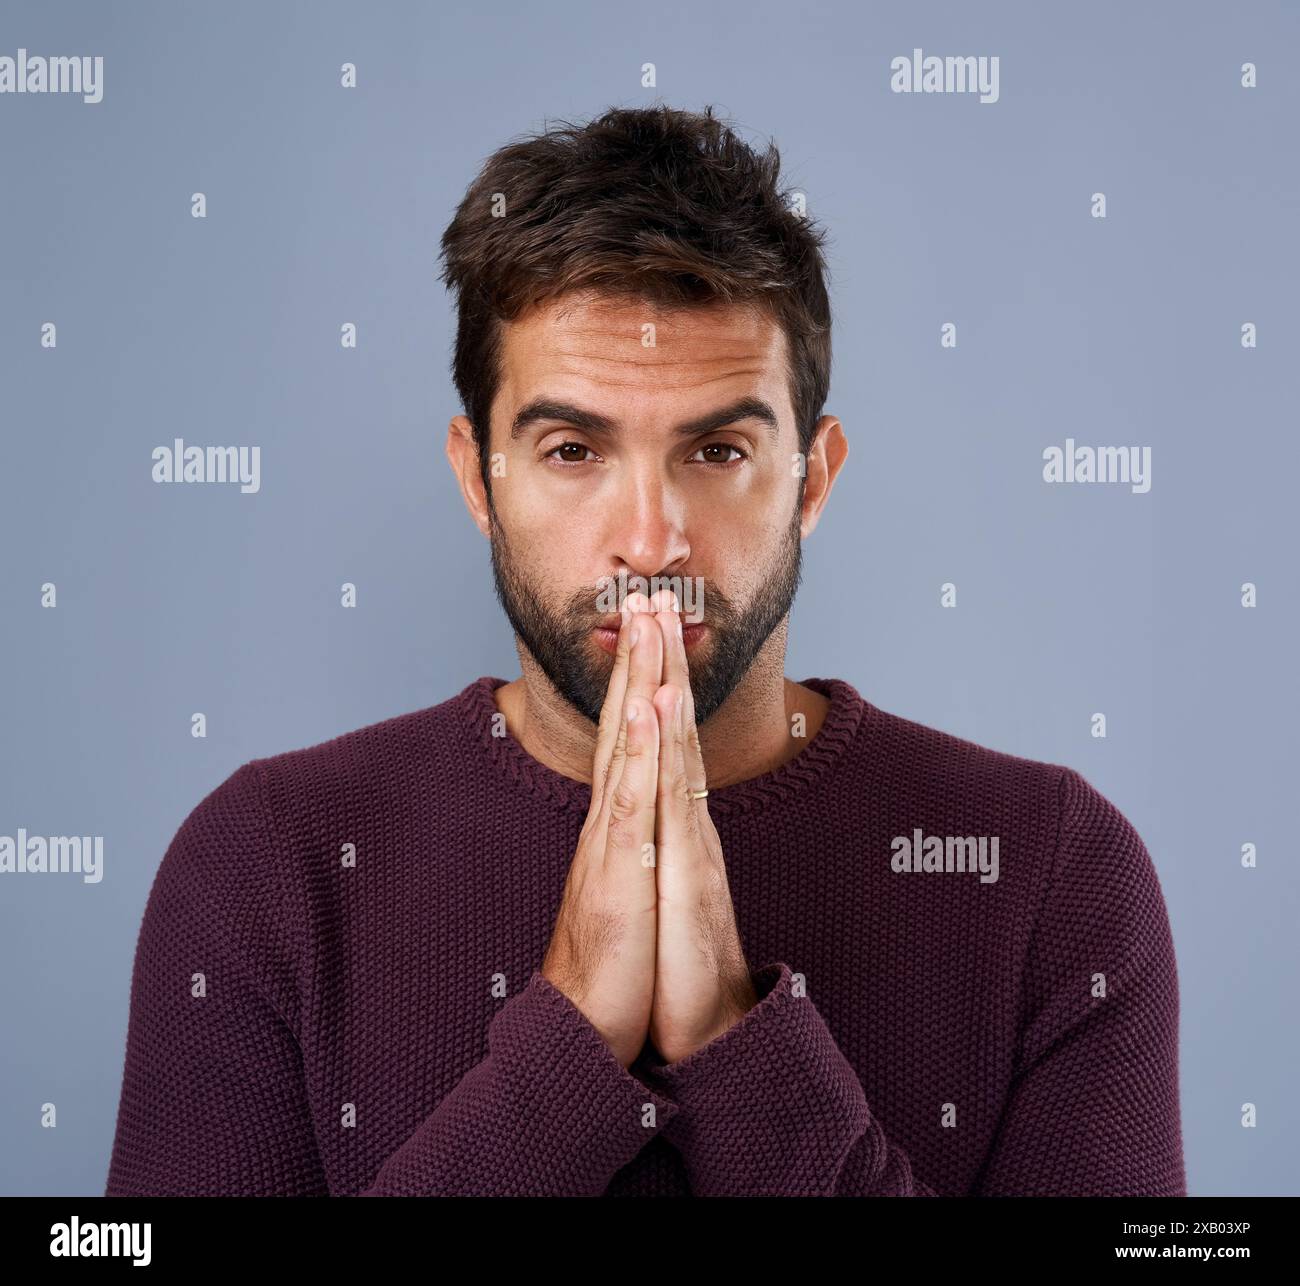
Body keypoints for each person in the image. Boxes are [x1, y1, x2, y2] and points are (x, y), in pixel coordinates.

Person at [105, 104, 1185, 1197]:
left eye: (717, 450)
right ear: (479, 477)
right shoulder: (266, 863)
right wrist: (565, 1048)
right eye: (572, 448)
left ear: (812, 479)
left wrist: (737, 1036)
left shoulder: (1052, 870)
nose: (652, 540)